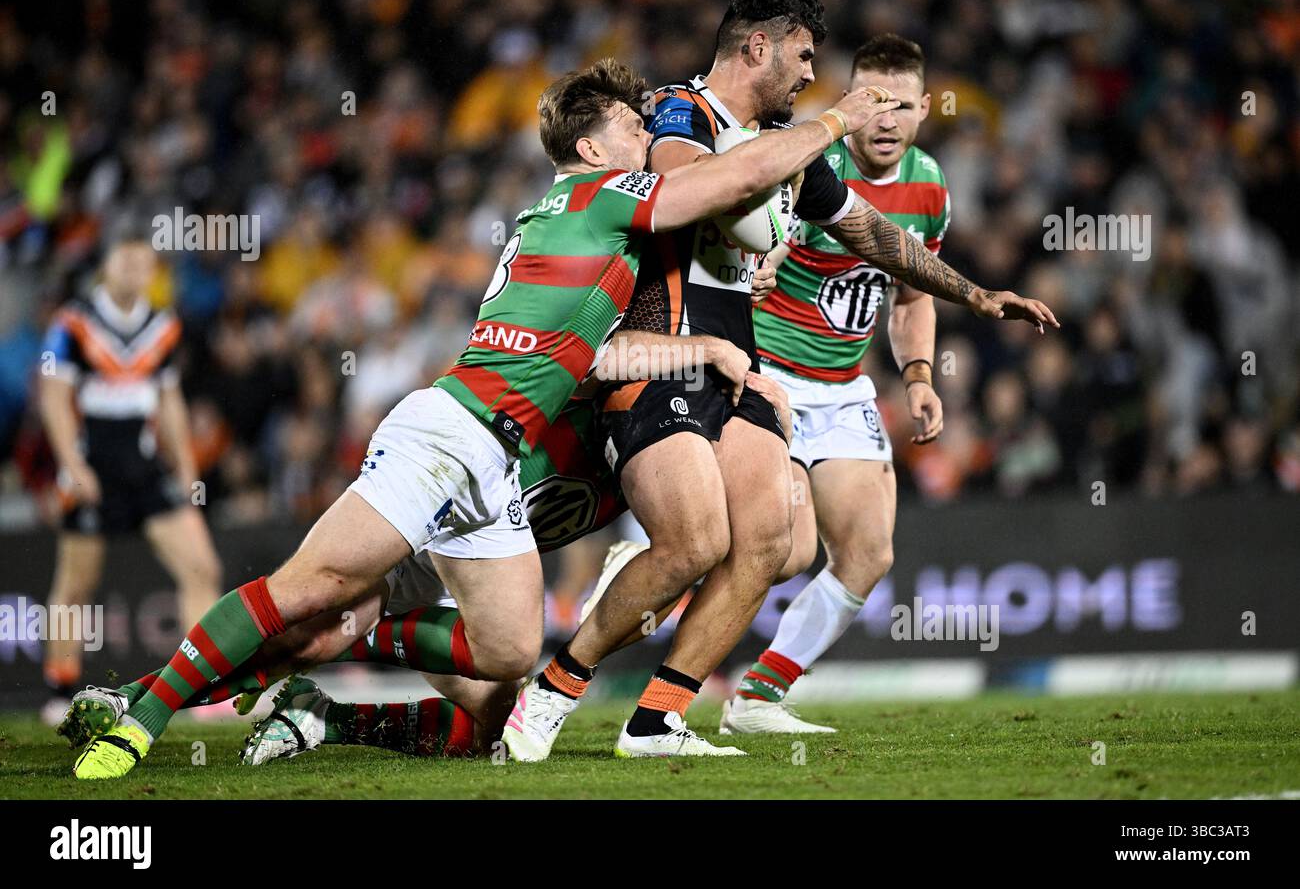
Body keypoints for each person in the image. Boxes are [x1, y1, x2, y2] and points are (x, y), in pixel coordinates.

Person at [70, 56, 903, 779]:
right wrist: (833, 117)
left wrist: (711, 354)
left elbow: (602, 354)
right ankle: (140, 707)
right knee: (317, 601)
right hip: (453, 431)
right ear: (591, 147)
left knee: (499, 666)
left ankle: (319, 710)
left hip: (500, 470)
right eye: (629, 123)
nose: (647, 131)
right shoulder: (605, 194)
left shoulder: (605, 233)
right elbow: (724, 182)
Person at [504, 0, 1057, 762]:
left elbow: (868, 230)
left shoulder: (795, 141)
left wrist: (974, 294)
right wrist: (831, 123)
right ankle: (554, 688)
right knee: (693, 545)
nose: (809, 74)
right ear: (756, 45)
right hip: (666, 351)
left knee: (772, 546)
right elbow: (697, 188)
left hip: (740, 360)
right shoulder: (677, 109)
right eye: (801, 56)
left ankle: (657, 718)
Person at [724, 34, 949, 733]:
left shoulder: (929, 185)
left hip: (844, 384)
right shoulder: (807, 162)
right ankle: (662, 555)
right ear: (851, 100)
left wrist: (917, 375)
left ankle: (757, 699)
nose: (886, 120)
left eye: (902, 106)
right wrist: (750, 269)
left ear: (922, 111)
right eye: (873, 103)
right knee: (787, 553)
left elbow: (913, 295)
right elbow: (741, 236)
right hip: (769, 375)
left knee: (868, 553)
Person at [38, 229, 221, 724]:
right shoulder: (73, 324)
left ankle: (201, 692)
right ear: (106, 265)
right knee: (76, 584)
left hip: (143, 467)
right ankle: (60, 691)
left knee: (201, 567)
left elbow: (169, 398)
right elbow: (53, 396)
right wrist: (72, 468)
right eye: (126, 261)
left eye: (144, 263)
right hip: (91, 463)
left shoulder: (162, 327)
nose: (135, 271)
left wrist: (184, 463)